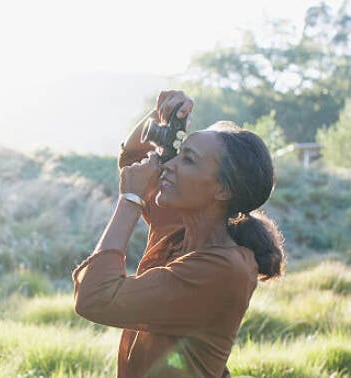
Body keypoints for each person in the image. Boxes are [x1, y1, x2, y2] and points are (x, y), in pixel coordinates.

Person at [72, 90, 285, 377]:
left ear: (222, 190)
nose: (168, 166)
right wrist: (160, 116)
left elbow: (95, 297)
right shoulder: (185, 227)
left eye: (188, 160)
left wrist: (130, 201)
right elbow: (133, 158)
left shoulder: (223, 270)